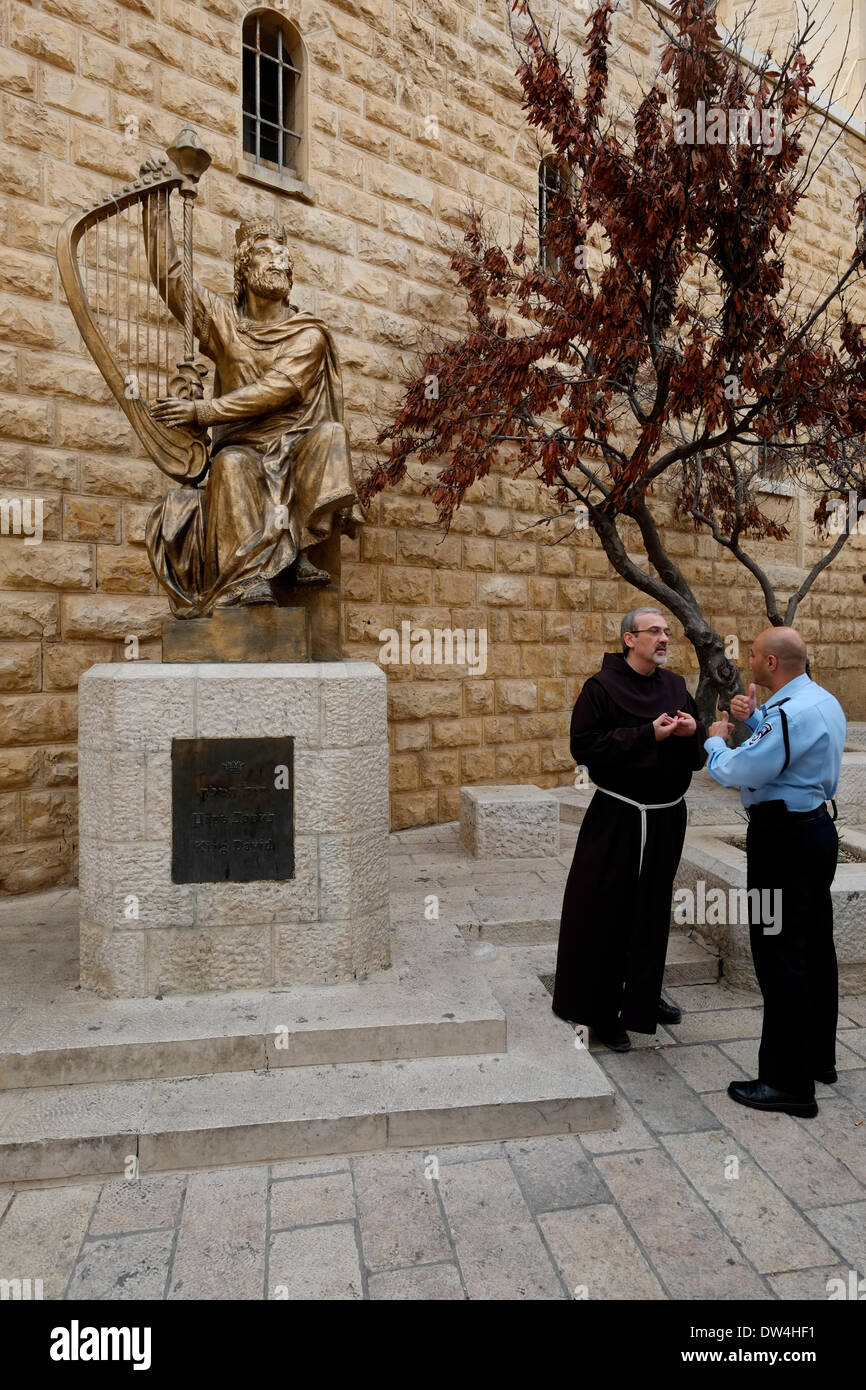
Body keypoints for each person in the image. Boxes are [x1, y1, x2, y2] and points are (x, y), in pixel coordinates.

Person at [141, 203, 362, 616]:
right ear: (243, 268)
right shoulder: (222, 319)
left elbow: (277, 390)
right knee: (231, 465)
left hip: (297, 444)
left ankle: (299, 556)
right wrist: (156, 212)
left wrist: (202, 412)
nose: (277, 258)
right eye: (264, 250)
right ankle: (250, 579)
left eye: (282, 252)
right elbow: (170, 280)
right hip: (243, 447)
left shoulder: (307, 333)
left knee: (331, 434)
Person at [704, 627, 846, 1118]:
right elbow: (791, 745)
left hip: (782, 841)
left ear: (769, 664)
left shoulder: (791, 713)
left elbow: (739, 771)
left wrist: (716, 743)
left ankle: (787, 1084)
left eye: (752, 653)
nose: (747, 658)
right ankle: (817, 1060)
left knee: (778, 949)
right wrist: (757, 717)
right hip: (813, 832)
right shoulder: (820, 700)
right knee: (812, 945)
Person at [552, 607, 707, 1050]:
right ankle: (601, 1012)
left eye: (666, 632)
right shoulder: (600, 688)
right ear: (629, 639)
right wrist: (646, 736)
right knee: (607, 911)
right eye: (654, 631)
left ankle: (641, 995)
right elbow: (582, 747)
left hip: (666, 817)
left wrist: (693, 730)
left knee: (652, 909)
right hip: (620, 817)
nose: (663, 638)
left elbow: (696, 750)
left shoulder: (675, 685)